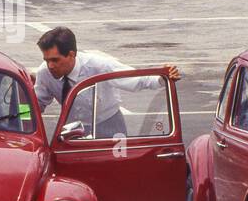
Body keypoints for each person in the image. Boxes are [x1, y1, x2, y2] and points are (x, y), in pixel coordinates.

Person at [33, 27, 180, 138]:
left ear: (72, 55)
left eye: (55, 60)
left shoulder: (99, 65)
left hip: (109, 125)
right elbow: (35, 106)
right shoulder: (44, 73)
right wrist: (14, 118)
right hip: (72, 129)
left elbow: (133, 79)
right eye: (46, 60)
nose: (50, 66)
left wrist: (162, 77)